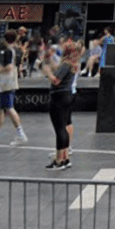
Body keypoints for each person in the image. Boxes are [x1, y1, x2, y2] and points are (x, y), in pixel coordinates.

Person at [0, 30, 27, 146]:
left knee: (9, 108)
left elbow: (9, 67)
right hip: (9, 82)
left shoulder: (8, 51)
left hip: (7, 83)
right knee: (0, 110)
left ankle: (21, 134)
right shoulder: (16, 50)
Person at [43, 39, 81, 169]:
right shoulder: (72, 64)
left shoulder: (66, 64)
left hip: (59, 95)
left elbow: (56, 80)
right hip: (67, 95)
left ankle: (59, 160)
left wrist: (47, 72)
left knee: (59, 128)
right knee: (63, 127)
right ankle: (65, 157)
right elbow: (58, 69)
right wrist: (49, 61)